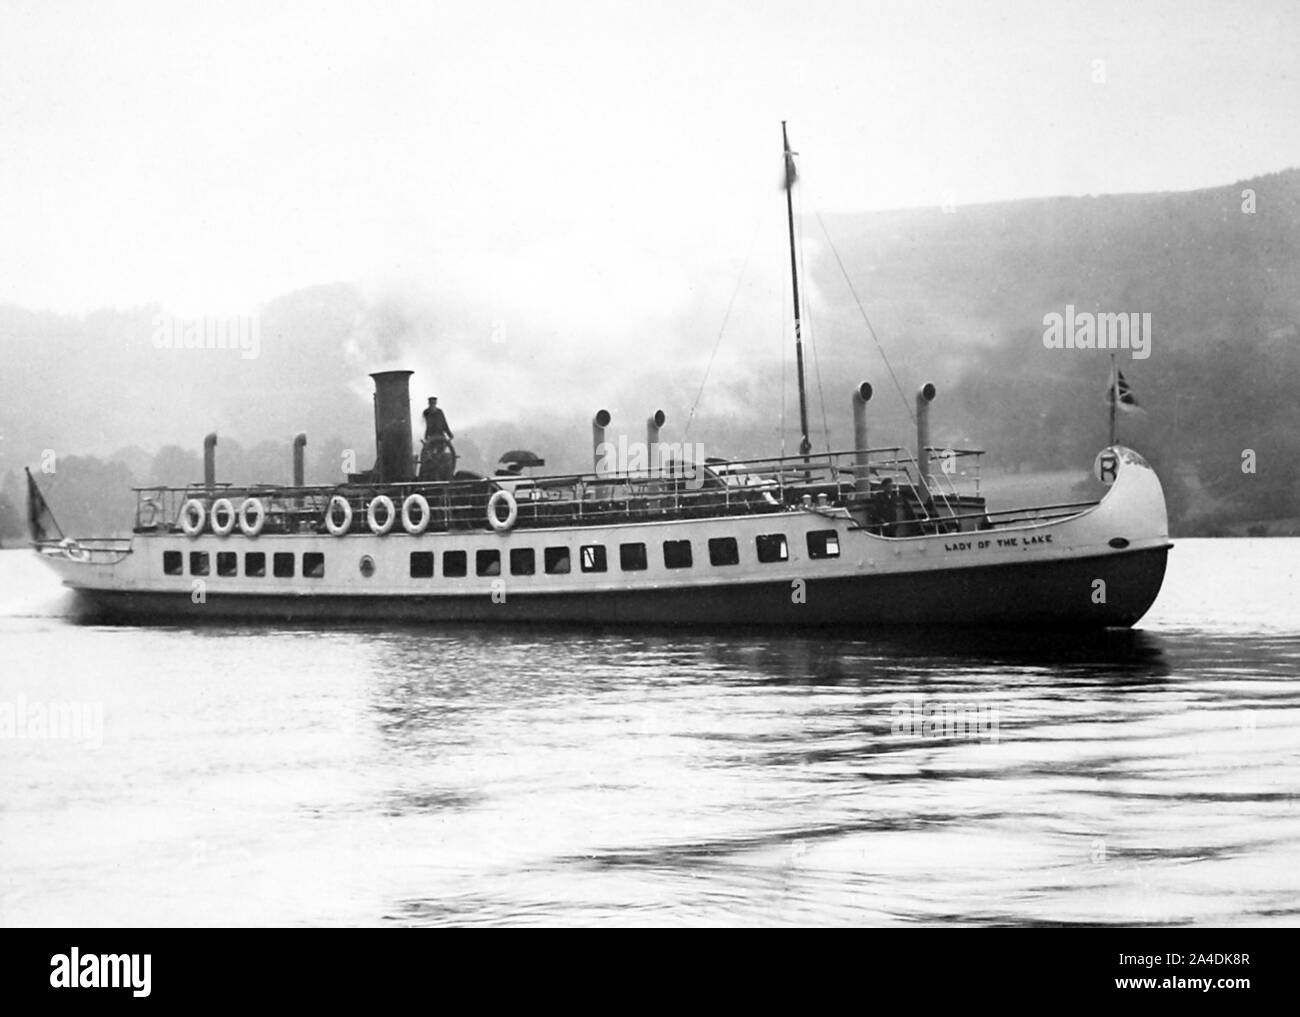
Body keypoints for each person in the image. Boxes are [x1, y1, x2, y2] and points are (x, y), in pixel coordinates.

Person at [419, 397, 456, 482]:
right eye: (431, 403)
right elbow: (426, 424)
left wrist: (449, 434)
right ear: (429, 404)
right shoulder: (426, 412)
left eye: (434, 403)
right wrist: (427, 437)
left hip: (440, 437)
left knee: (439, 454)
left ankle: (439, 471)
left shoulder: (439, 412)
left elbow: (444, 423)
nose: (433, 405)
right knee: (431, 455)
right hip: (431, 437)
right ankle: (432, 470)